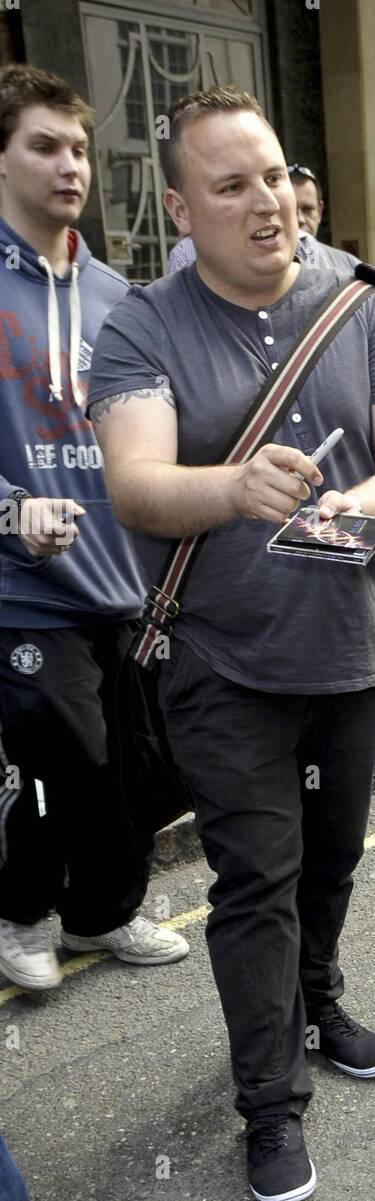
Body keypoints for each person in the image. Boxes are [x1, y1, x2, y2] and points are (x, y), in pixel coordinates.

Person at [88, 86, 375, 1201]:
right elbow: (136, 487)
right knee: (254, 884)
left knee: (331, 862)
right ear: (181, 209)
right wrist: (236, 489)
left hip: (347, 657)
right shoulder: (143, 323)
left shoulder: (360, 302)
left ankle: (320, 998)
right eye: (231, 186)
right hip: (221, 665)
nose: (267, 203)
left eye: (277, 175)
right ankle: (270, 1102)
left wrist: (356, 512)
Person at [0, 63, 188, 992]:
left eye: (78, 147)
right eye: (44, 145)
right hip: (25, 589)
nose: (69, 165)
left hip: (126, 582)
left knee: (133, 769)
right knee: (58, 760)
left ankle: (103, 917)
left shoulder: (119, 296)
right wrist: (10, 509)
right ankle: (21, 911)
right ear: (2, 159)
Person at [167, 161, 357, 276]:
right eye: (232, 188)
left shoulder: (351, 268)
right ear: (180, 211)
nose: (299, 219)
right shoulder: (189, 252)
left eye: (307, 209)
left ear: (321, 210)